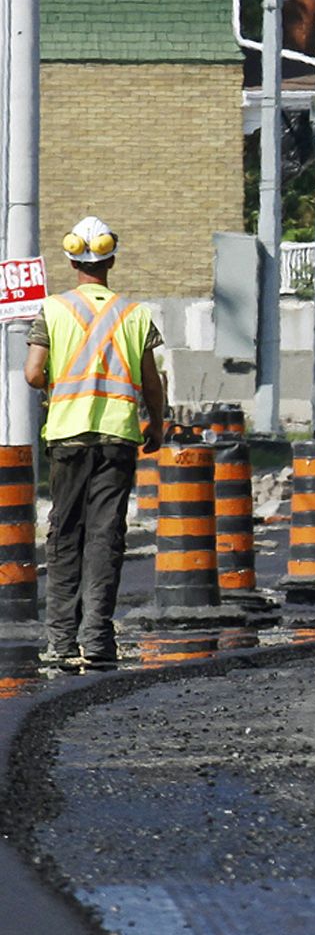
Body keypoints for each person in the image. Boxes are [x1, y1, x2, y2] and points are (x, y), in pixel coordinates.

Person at [25, 217, 166, 671]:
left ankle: (63, 642)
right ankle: (99, 641)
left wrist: (54, 384)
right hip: (118, 437)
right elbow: (150, 381)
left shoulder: (53, 310)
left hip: (67, 435)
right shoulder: (135, 314)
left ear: (70, 260)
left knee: (66, 534)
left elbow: (32, 373)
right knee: (106, 535)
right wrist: (157, 424)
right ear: (111, 260)